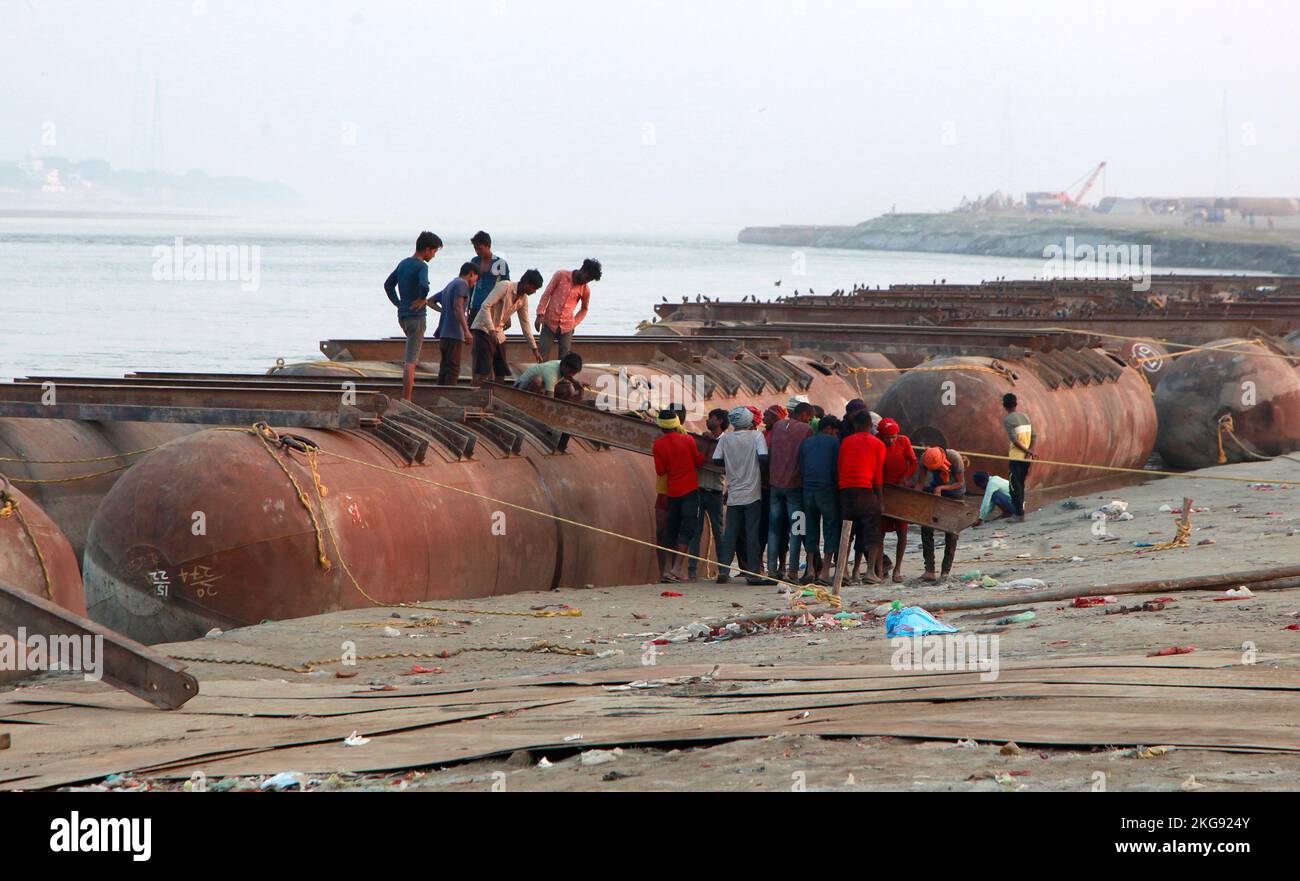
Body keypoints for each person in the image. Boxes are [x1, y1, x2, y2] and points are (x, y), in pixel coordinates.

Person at [712, 407, 775, 586]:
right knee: (752, 534)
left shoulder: (725, 438)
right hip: (753, 493)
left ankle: (723, 571)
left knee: (730, 533)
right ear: (749, 421)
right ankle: (752, 572)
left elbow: (716, 460)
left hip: (733, 493)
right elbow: (763, 457)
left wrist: (732, 463)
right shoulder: (756, 436)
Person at [383, 231, 442, 401]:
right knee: (411, 361)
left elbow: (388, 285)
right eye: (434, 251)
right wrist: (422, 298)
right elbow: (424, 285)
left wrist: (398, 303)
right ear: (426, 249)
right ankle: (407, 399)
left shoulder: (403, 264)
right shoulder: (422, 266)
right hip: (417, 318)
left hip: (403, 316)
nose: (434, 255)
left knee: (410, 355)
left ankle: (406, 397)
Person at [653, 409, 704, 583]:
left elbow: (660, 471)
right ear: (676, 423)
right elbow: (699, 461)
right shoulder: (688, 440)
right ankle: (677, 569)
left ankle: (667, 570)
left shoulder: (658, 444)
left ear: (661, 427)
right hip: (689, 491)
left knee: (671, 530)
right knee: (687, 529)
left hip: (672, 492)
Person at [470, 268, 544, 386]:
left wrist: (534, 349)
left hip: (498, 332)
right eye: (534, 288)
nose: (534, 291)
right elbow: (485, 306)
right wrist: (491, 329)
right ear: (526, 283)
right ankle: (476, 393)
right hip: (483, 328)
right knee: (483, 368)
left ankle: (497, 394)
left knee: (501, 368)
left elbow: (525, 324)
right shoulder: (505, 286)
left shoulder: (523, 299)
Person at [837, 409, 886, 584]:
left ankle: (843, 571)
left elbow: (841, 466)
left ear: (855, 425)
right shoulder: (877, 444)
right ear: (869, 425)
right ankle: (870, 571)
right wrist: (880, 500)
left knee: (847, 532)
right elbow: (878, 475)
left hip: (845, 491)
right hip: (865, 490)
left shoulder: (846, 442)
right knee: (873, 532)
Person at [767, 402, 814, 581]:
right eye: (809, 419)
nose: (809, 422)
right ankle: (793, 570)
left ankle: (771, 570)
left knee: (774, 528)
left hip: (775, 484)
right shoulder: (806, 430)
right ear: (804, 416)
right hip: (795, 486)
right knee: (797, 528)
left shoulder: (778, 425)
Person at [687, 408, 729, 582]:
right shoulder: (702, 439)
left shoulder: (726, 441)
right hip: (699, 490)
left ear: (719, 421)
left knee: (719, 532)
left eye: (711, 418)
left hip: (715, 492)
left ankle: (723, 570)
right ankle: (692, 570)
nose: (707, 420)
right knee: (695, 532)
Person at [799, 414, 841, 584]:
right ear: (829, 429)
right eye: (835, 432)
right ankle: (824, 572)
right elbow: (835, 469)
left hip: (807, 491)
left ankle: (810, 568)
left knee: (810, 528)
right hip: (826, 490)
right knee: (830, 529)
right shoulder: (834, 443)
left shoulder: (806, 443)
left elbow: (801, 467)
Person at [535, 258, 602, 360]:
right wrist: (540, 315)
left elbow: (584, 309)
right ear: (582, 269)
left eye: (589, 280)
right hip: (549, 323)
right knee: (542, 355)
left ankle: (562, 376)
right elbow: (546, 294)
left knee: (564, 358)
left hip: (567, 328)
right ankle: (541, 375)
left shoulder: (585, 290)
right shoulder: (561, 275)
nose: (586, 281)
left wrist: (574, 323)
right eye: (587, 277)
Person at [917, 446, 966, 582]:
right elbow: (920, 483)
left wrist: (941, 488)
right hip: (934, 489)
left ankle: (945, 571)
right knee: (926, 527)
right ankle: (929, 570)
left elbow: (960, 483)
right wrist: (915, 499)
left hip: (955, 492)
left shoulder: (954, 458)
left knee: (952, 532)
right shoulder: (924, 459)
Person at [877, 417, 917, 583]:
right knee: (879, 533)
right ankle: (879, 567)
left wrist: (906, 478)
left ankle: (898, 569)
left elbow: (913, 462)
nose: (891, 440)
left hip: (900, 492)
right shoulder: (877, 443)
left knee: (902, 530)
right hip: (883, 491)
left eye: (894, 437)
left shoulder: (904, 441)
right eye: (888, 437)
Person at [429, 262, 479, 386]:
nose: (475, 283)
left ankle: (439, 394)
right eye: (475, 279)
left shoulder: (450, 285)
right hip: (454, 333)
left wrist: (444, 311)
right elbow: (458, 307)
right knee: (453, 368)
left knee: (444, 368)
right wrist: (466, 331)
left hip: (444, 334)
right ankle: (449, 395)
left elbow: (430, 301)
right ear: (471, 273)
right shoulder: (462, 284)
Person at [466, 231, 510, 327]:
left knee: (490, 336)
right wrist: (467, 307)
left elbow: (507, 289)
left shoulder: (500, 264)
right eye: (475, 249)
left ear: (488, 246)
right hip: (475, 305)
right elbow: (470, 286)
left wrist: (507, 313)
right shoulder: (475, 261)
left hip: (492, 307)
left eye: (480, 249)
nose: (477, 252)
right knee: (473, 335)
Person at [1002, 393, 1035, 521]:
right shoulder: (1025, 417)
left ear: (1004, 405)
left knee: (1014, 486)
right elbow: (1034, 436)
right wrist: (1030, 451)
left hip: (1016, 457)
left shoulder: (1008, 420)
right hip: (1027, 458)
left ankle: (1019, 514)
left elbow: (1014, 441)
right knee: (1020, 484)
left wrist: (1027, 451)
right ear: (1016, 403)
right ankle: (1020, 512)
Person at [514, 352, 584, 396]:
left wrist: (576, 382)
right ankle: (528, 403)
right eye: (570, 372)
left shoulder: (561, 363)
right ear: (564, 366)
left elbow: (568, 376)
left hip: (541, 388)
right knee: (537, 380)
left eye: (574, 373)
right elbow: (550, 398)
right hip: (520, 389)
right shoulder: (551, 373)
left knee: (569, 388)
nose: (571, 375)